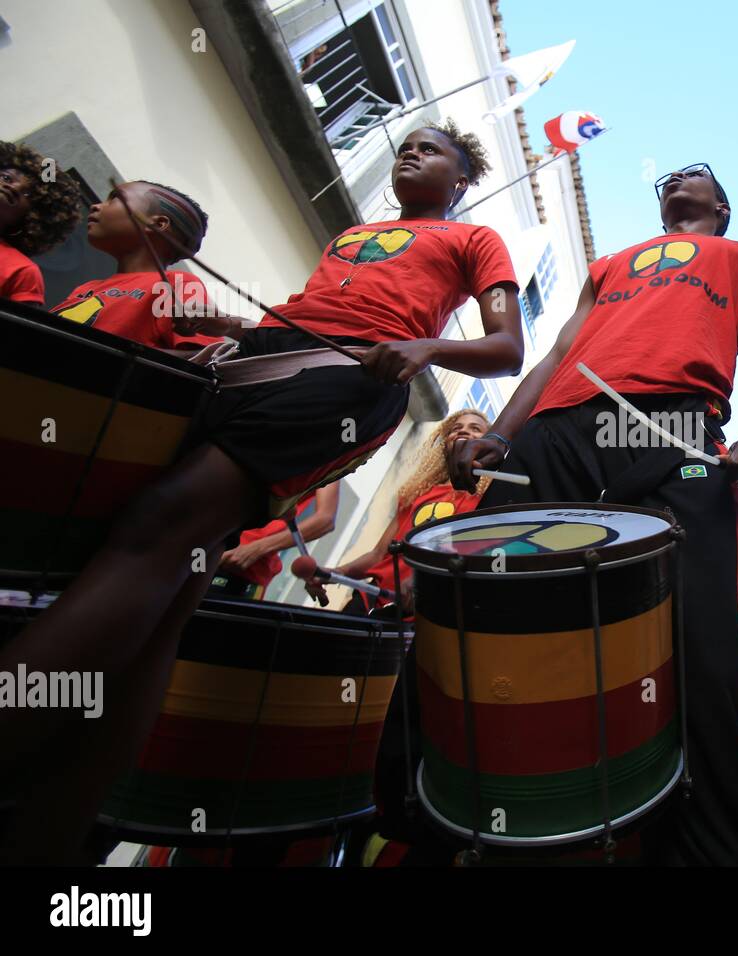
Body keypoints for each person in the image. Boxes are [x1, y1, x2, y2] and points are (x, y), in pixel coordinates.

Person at [0, 119, 524, 864]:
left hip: (351, 381)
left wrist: (429, 346)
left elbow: (507, 348)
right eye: (406, 142)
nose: (412, 151)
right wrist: (235, 328)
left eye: (432, 149)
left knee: (158, 525)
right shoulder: (351, 236)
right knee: (168, 600)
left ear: (461, 181)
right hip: (262, 357)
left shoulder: (474, 242)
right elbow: (306, 311)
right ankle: (51, 838)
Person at [450, 162, 738, 866]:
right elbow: (555, 353)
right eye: (665, 176)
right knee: (481, 606)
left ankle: (718, 843)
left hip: (677, 429)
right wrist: (502, 434)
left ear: (722, 203)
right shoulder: (609, 265)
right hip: (558, 426)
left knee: (701, 646)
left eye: (693, 174)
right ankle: (448, 816)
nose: (674, 180)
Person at [306, 408, 490, 614]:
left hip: (423, 613)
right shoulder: (417, 493)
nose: (463, 432)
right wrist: (334, 574)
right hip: (372, 598)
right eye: (456, 428)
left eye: (475, 429)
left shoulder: (488, 500)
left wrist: (422, 581)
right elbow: (378, 555)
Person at [48, 180, 236, 347]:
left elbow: (201, 361)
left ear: (158, 224)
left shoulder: (177, 284)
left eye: (115, 199)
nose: (96, 206)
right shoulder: (86, 288)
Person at [213, 482, 341, 600]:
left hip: (243, 569)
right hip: (210, 544)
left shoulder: (328, 461)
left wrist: (255, 549)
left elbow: (325, 520)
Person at [0, 141, 81, 304]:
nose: (14, 187)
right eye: (6, 177)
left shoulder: (22, 272)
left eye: (29, 194)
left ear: (34, 217)